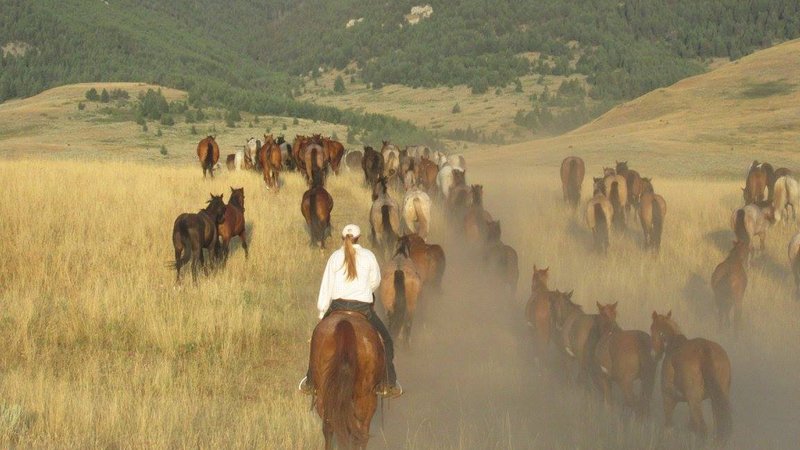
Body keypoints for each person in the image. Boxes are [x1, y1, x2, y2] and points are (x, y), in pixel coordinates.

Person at [299, 224, 402, 398]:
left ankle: (310, 381)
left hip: (337, 306)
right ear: (359, 237)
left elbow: (326, 286)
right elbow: (375, 282)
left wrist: (321, 312)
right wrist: (364, 290)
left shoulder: (334, 257)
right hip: (362, 308)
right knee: (386, 341)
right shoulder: (369, 256)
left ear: (342, 238)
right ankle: (389, 383)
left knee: (317, 337)